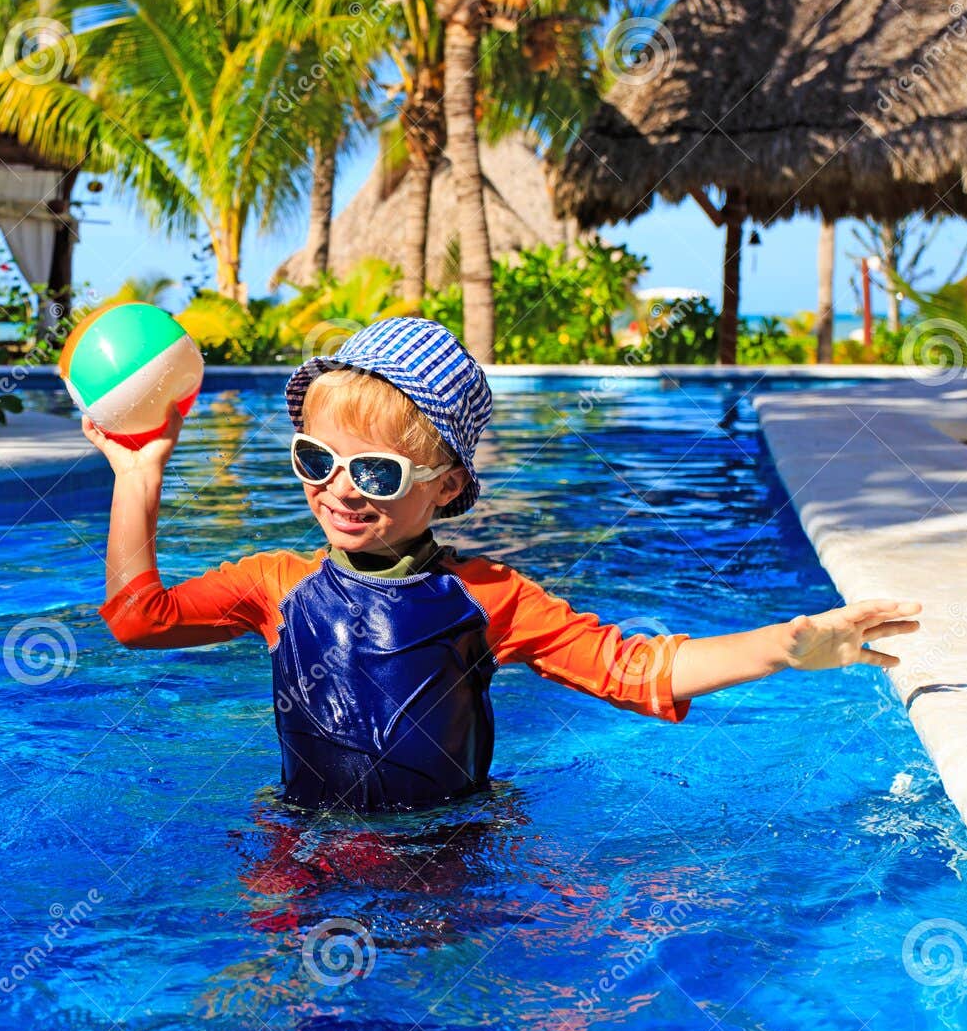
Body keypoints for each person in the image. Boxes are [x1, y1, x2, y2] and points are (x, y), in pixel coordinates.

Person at [88, 317, 921, 813]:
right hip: (304, 840)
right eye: (315, 458)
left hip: (448, 847)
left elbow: (636, 670)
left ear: (445, 486)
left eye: (375, 471)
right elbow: (138, 618)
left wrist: (790, 644)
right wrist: (139, 477)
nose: (339, 489)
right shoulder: (277, 584)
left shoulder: (486, 597)